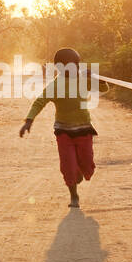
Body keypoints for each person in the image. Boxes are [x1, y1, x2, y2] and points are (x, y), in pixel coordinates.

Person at [19, 47, 109, 208]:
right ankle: (74, 196)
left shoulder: (83, 80)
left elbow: (103, 89)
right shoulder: (55, 85)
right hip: (63, 132)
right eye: (71, 65)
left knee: (88, 166)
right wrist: (29, 121)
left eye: (77, 64)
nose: (75, 68)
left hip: (84, 129)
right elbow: (40, 101)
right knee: (68, 166)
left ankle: (79, 172)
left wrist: (97, 78)